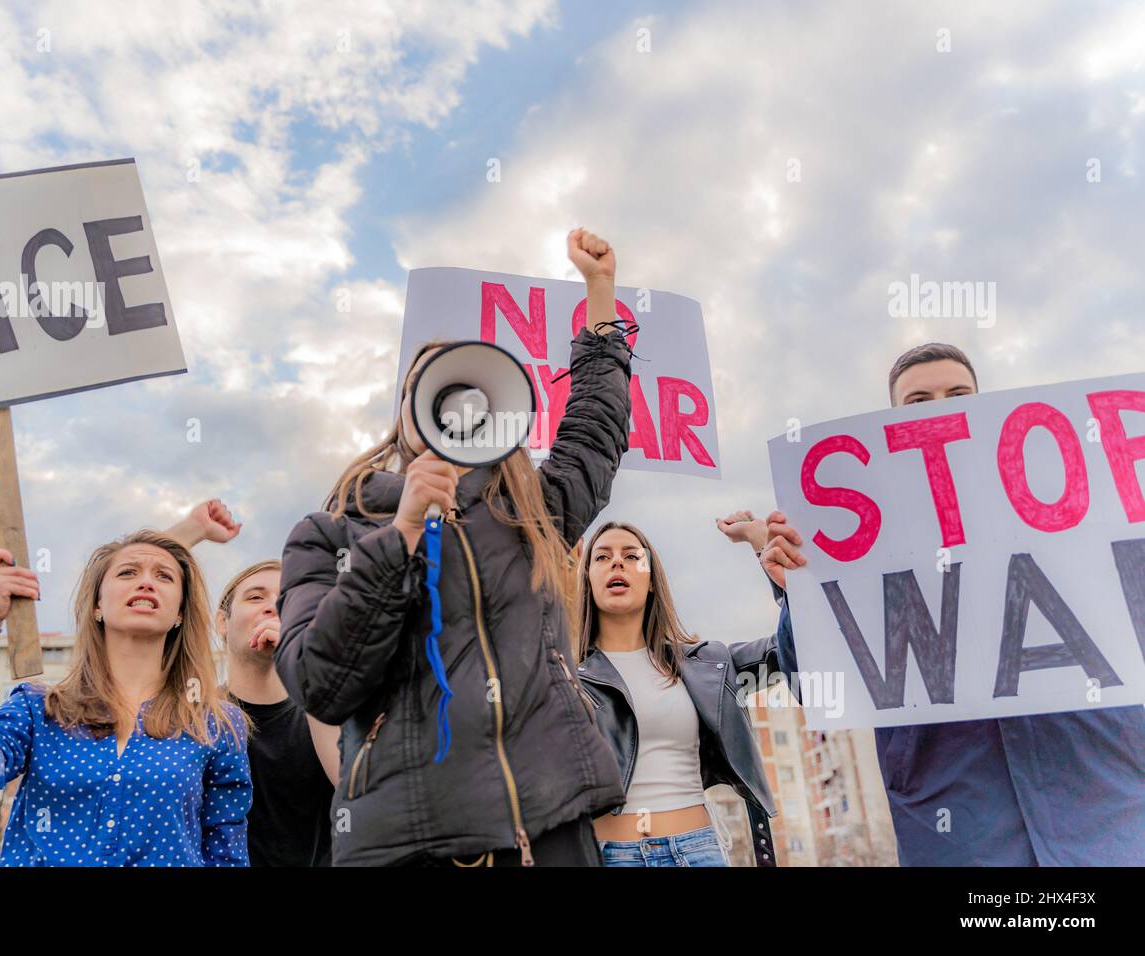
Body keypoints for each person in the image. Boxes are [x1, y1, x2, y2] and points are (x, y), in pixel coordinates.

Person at [276, 228, 632, 866]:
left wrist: (600, 294)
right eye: (431, 389)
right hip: (410, 845)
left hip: (550, 832)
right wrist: (401, 536)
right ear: (403, 414)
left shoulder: (534, 515)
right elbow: (320, 683)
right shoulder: (329, 533)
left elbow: (594, 428)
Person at [759, 342, 1145, 866]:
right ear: (891, 423)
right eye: (918, 402)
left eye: (957, 394)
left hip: (1103, 811)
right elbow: (817, 685)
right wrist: (796, 591)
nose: (940, 408)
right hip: (960, 829)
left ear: (980, 403)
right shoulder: (858, 540)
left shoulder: (1083, 497)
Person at [0, 530, 251, 866]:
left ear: (180, 612)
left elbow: (226, 853)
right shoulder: (39, 710)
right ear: (97, 604)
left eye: (164, 576)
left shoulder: (217, 724)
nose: (145, 582)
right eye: (127, 572)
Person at [577, 521, 786, 867]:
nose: (617, 563)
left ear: (651, 582)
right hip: (610, 856)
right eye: (602, 557)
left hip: (697, 852)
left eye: (631, 556)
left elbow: (791, 650)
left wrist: (767, 555)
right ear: (586, 579)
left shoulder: (708, 664)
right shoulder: (565, 673)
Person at [168, 503, 340, 867]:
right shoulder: (192, 716)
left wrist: (303, 662)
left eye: (287, 600)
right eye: (256, 597)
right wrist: (188, 532)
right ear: (222, 622)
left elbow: (355, 785)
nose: (272, 608)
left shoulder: (326, 711)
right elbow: (131, 577)